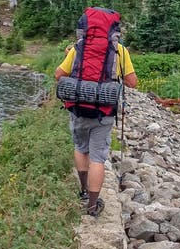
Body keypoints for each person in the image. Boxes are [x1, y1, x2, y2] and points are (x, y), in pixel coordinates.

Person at [55, 35, 137, 218]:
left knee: (80, 148)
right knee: (97, 158)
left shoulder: (78, 47)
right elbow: (132, 82)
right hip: (104, 112)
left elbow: (58, 75)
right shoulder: (119, 50)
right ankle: (92, 206)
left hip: (78, 109)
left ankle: (83, 190)